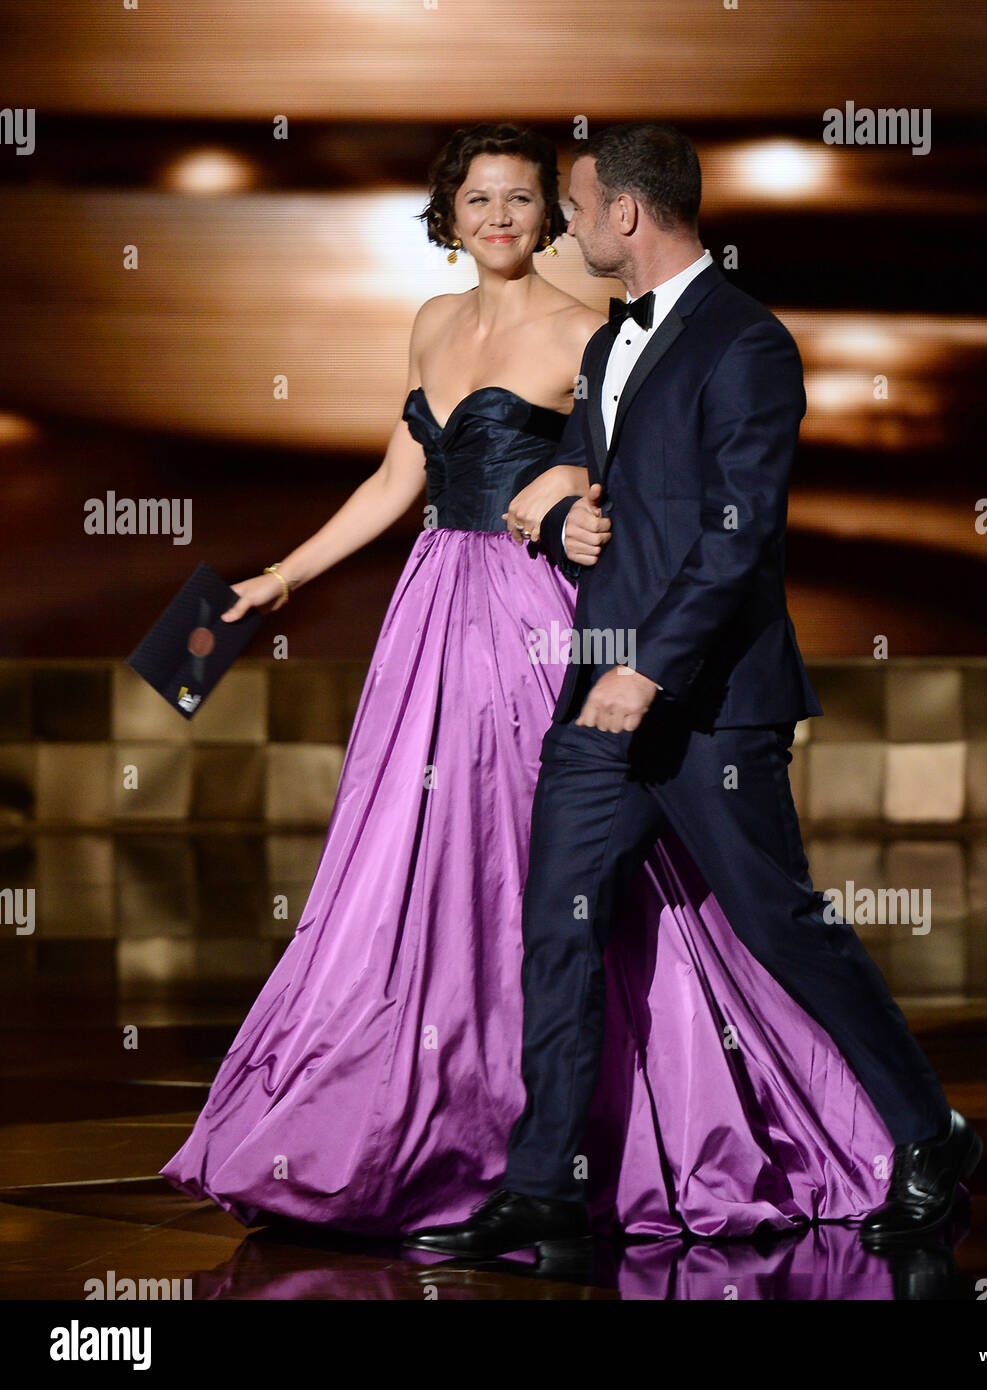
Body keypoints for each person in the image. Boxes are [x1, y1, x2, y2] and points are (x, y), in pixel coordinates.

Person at [161, 122, 898, 1242]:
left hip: (543, 621)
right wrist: (281, 575)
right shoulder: (430, 323)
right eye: (479, 200)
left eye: (519, 199)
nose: (501, 217)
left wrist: (562, 506)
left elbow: (635, 470)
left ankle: (593, 1145)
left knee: (565, 880)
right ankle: (448, 1134)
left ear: (554, 216)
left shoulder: (592, 327)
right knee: (425, 867)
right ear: (446, 217)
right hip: (432, 616)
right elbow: (399, 472)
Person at [404, 123, 981, 1260]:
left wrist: (645, 665)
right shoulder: (613, 340)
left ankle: (929, 1128)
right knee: (558, 922)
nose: (565, 226)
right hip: (596, 696)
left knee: (782, 922)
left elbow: (736, 538)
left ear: (627, 214)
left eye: (573, 206)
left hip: (707, 702)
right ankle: (544, 1190)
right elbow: (588, 459)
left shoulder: (748, 343)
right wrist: (562, 499)